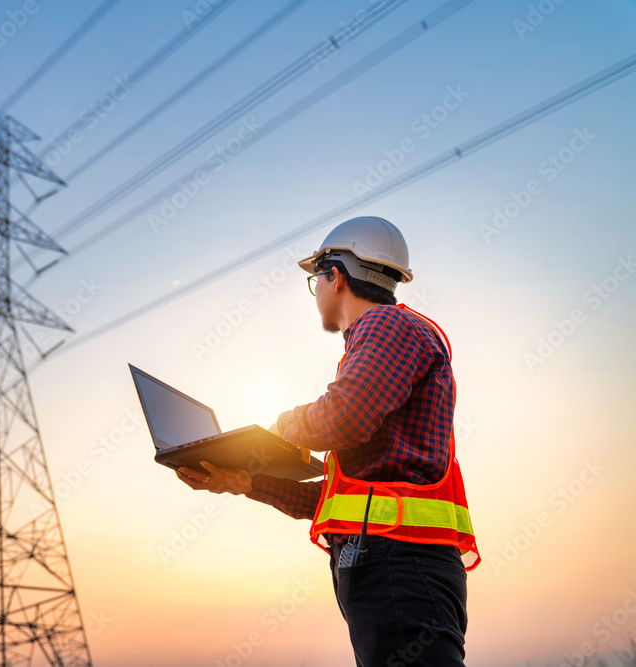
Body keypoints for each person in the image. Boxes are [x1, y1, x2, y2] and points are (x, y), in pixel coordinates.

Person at [175, 216, 480, 666]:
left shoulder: (386, 326)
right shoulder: (383, 340)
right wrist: (244, 482)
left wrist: (283, 426)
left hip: (400, 563)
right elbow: (339, 504)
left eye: (314, 279)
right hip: (395, 561)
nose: (315, 290)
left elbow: (343, 418)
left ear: (335, 277)